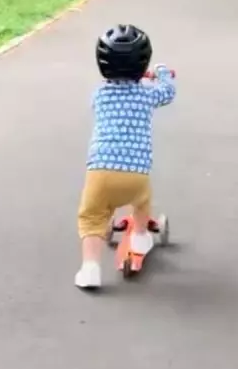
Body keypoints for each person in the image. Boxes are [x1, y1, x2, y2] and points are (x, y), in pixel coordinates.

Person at [75, 24, 176, 289]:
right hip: (135, 174)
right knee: (141, 201)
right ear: (143, 63)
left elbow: (117, 90)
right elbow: (168, 91)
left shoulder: (99, 95)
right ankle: (141, 235)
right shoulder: (147, 94)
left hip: (99, 170)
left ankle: (90, 269)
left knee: (92, 218)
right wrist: (162, 73)